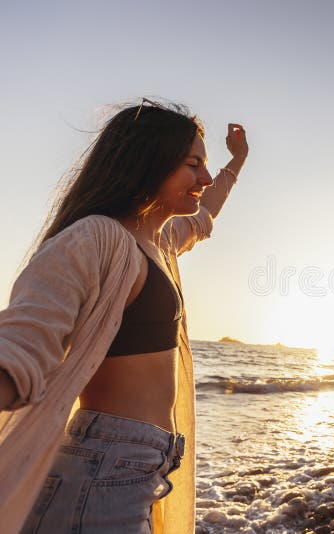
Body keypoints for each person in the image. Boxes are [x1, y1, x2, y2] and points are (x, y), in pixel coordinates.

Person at [0, 99, 248, 533]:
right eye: (193, 165)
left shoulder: (160, 240)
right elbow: (24, 342)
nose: (205, 178)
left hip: (135, 470)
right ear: (148, 162)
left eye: (206, 167)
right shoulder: (95, 238)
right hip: (98, 477)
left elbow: (207, 212)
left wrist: (237, 162)